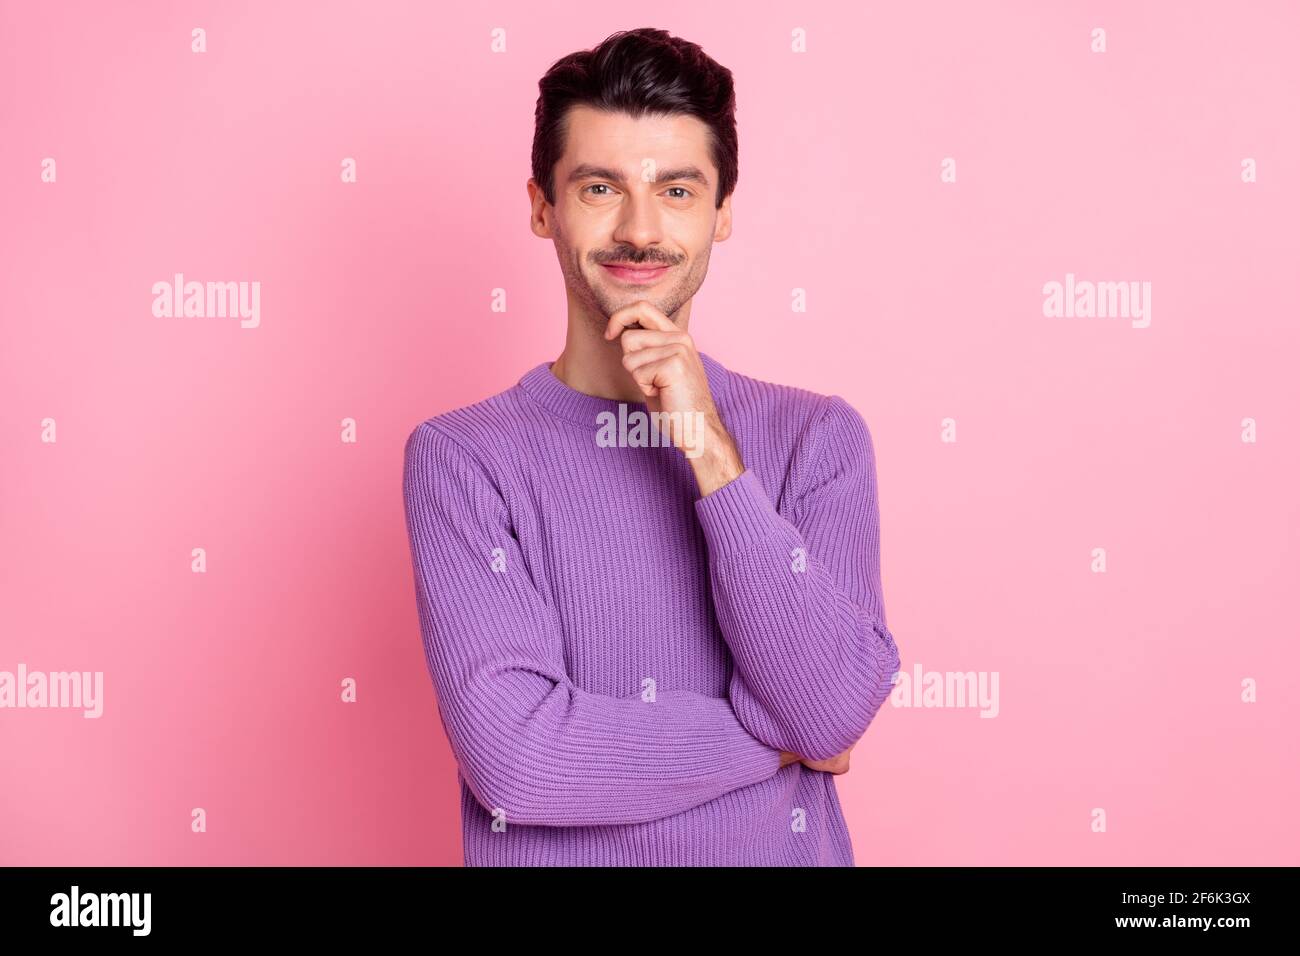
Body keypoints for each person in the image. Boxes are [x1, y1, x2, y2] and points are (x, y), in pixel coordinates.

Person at [402, 27, 900, 866]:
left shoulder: (819, 439)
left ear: (723, 211)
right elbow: (519, 762)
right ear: (541, 206)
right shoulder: (462, 460)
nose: (640, 230)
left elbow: (835, 703)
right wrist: (779, 740)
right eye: (600, 187)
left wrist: (707, 447)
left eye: (676, 190)